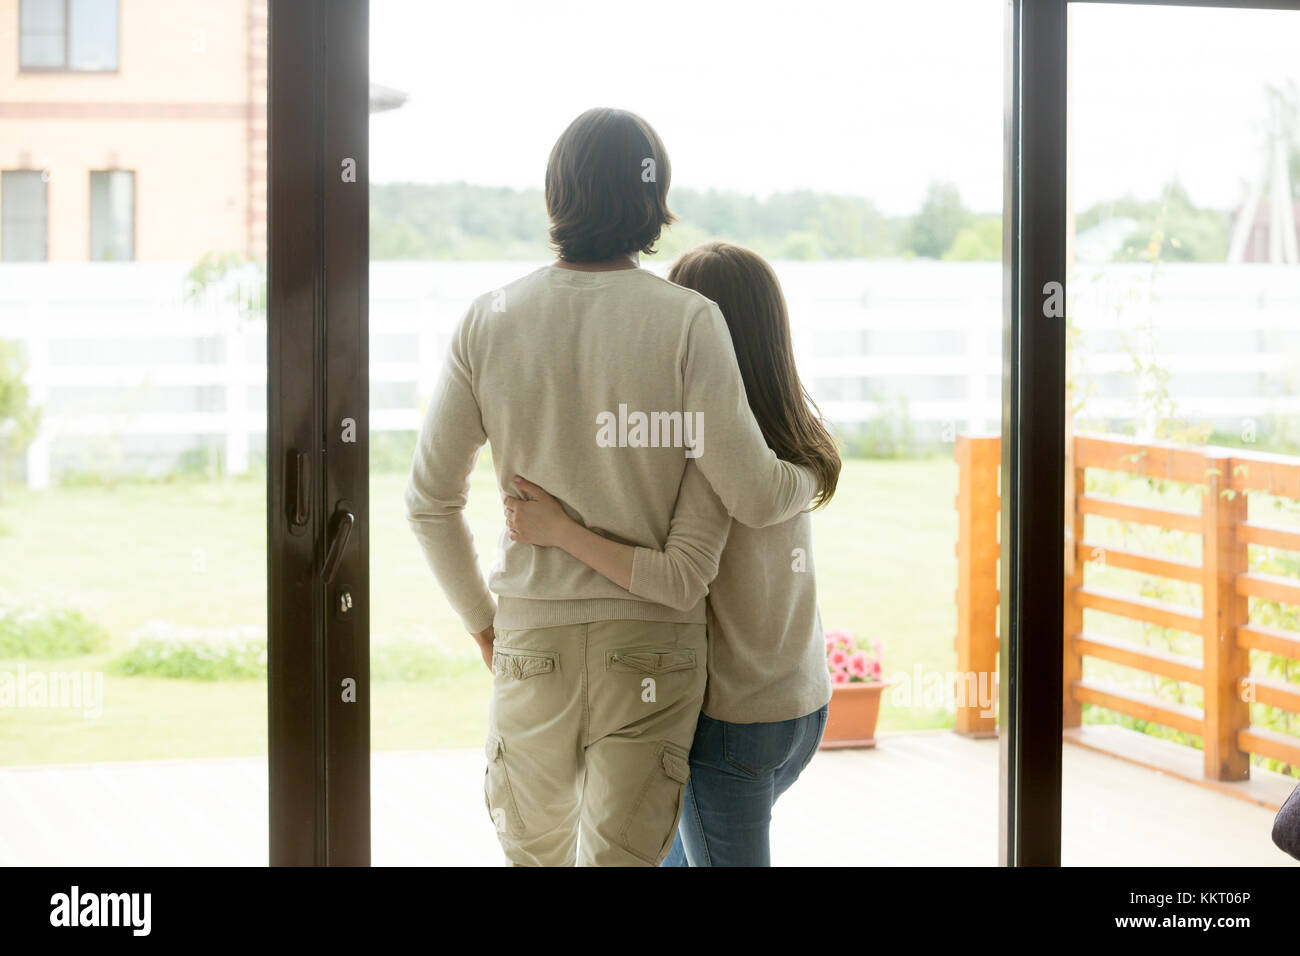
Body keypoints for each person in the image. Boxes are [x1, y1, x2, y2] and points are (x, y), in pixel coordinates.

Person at [404, 110, 818, 867]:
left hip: (532, 638)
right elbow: (755, 495)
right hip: (653, 645)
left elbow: (429, 503)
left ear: (554, 197)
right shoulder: (691, 322)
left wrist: (485, 625)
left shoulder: (488, 321)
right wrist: (813, 471)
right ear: (655, 203)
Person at [506, 240, 841, 866]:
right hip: (801, 707)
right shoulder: (793, 436)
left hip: (729, 724)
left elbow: (678, 577)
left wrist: (558, 530)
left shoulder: (713, 454)